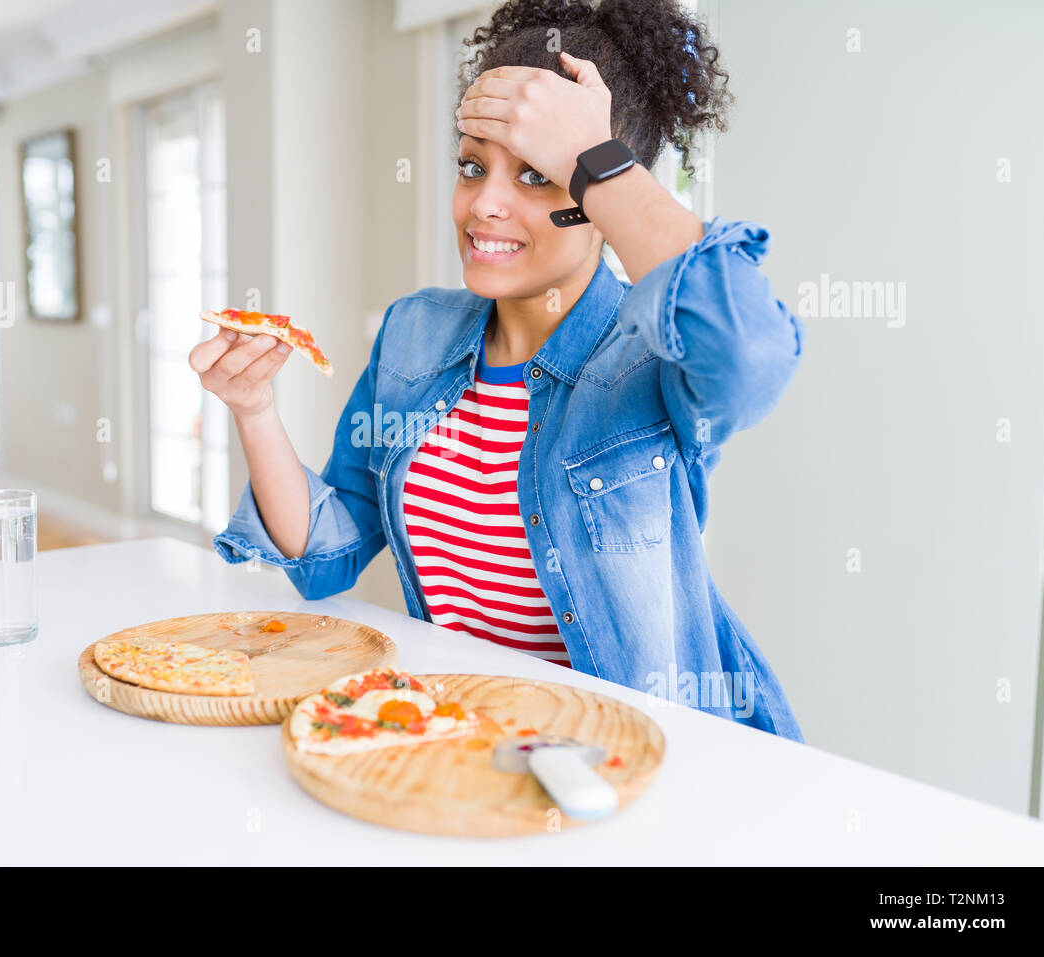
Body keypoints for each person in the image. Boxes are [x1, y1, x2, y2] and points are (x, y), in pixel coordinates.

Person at [191, 0, 805, 741]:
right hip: (469, 748)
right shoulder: (416, 331)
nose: (484, 204)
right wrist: (254, 409)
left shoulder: (650, 355)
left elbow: (753, 352)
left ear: (597, 195)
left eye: (539, 176)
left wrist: (598, 160)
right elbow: (326, 556)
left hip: (641, 759)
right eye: (473, 166)